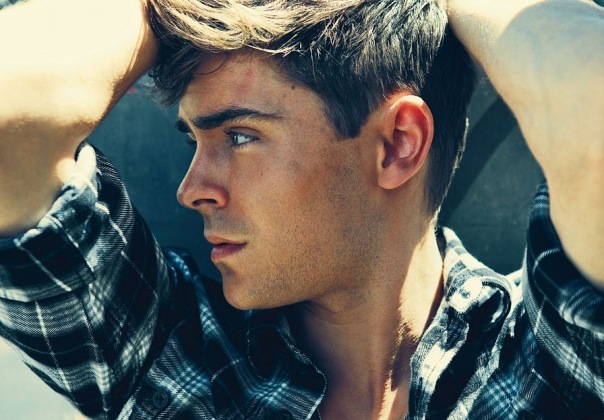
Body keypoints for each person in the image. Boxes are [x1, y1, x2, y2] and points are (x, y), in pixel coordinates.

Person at [0, 0, 602, 418]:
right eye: (194, 142)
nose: (192, 189)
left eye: (239, 136)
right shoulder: (173, 351)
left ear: (397, 145)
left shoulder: (541, 363)